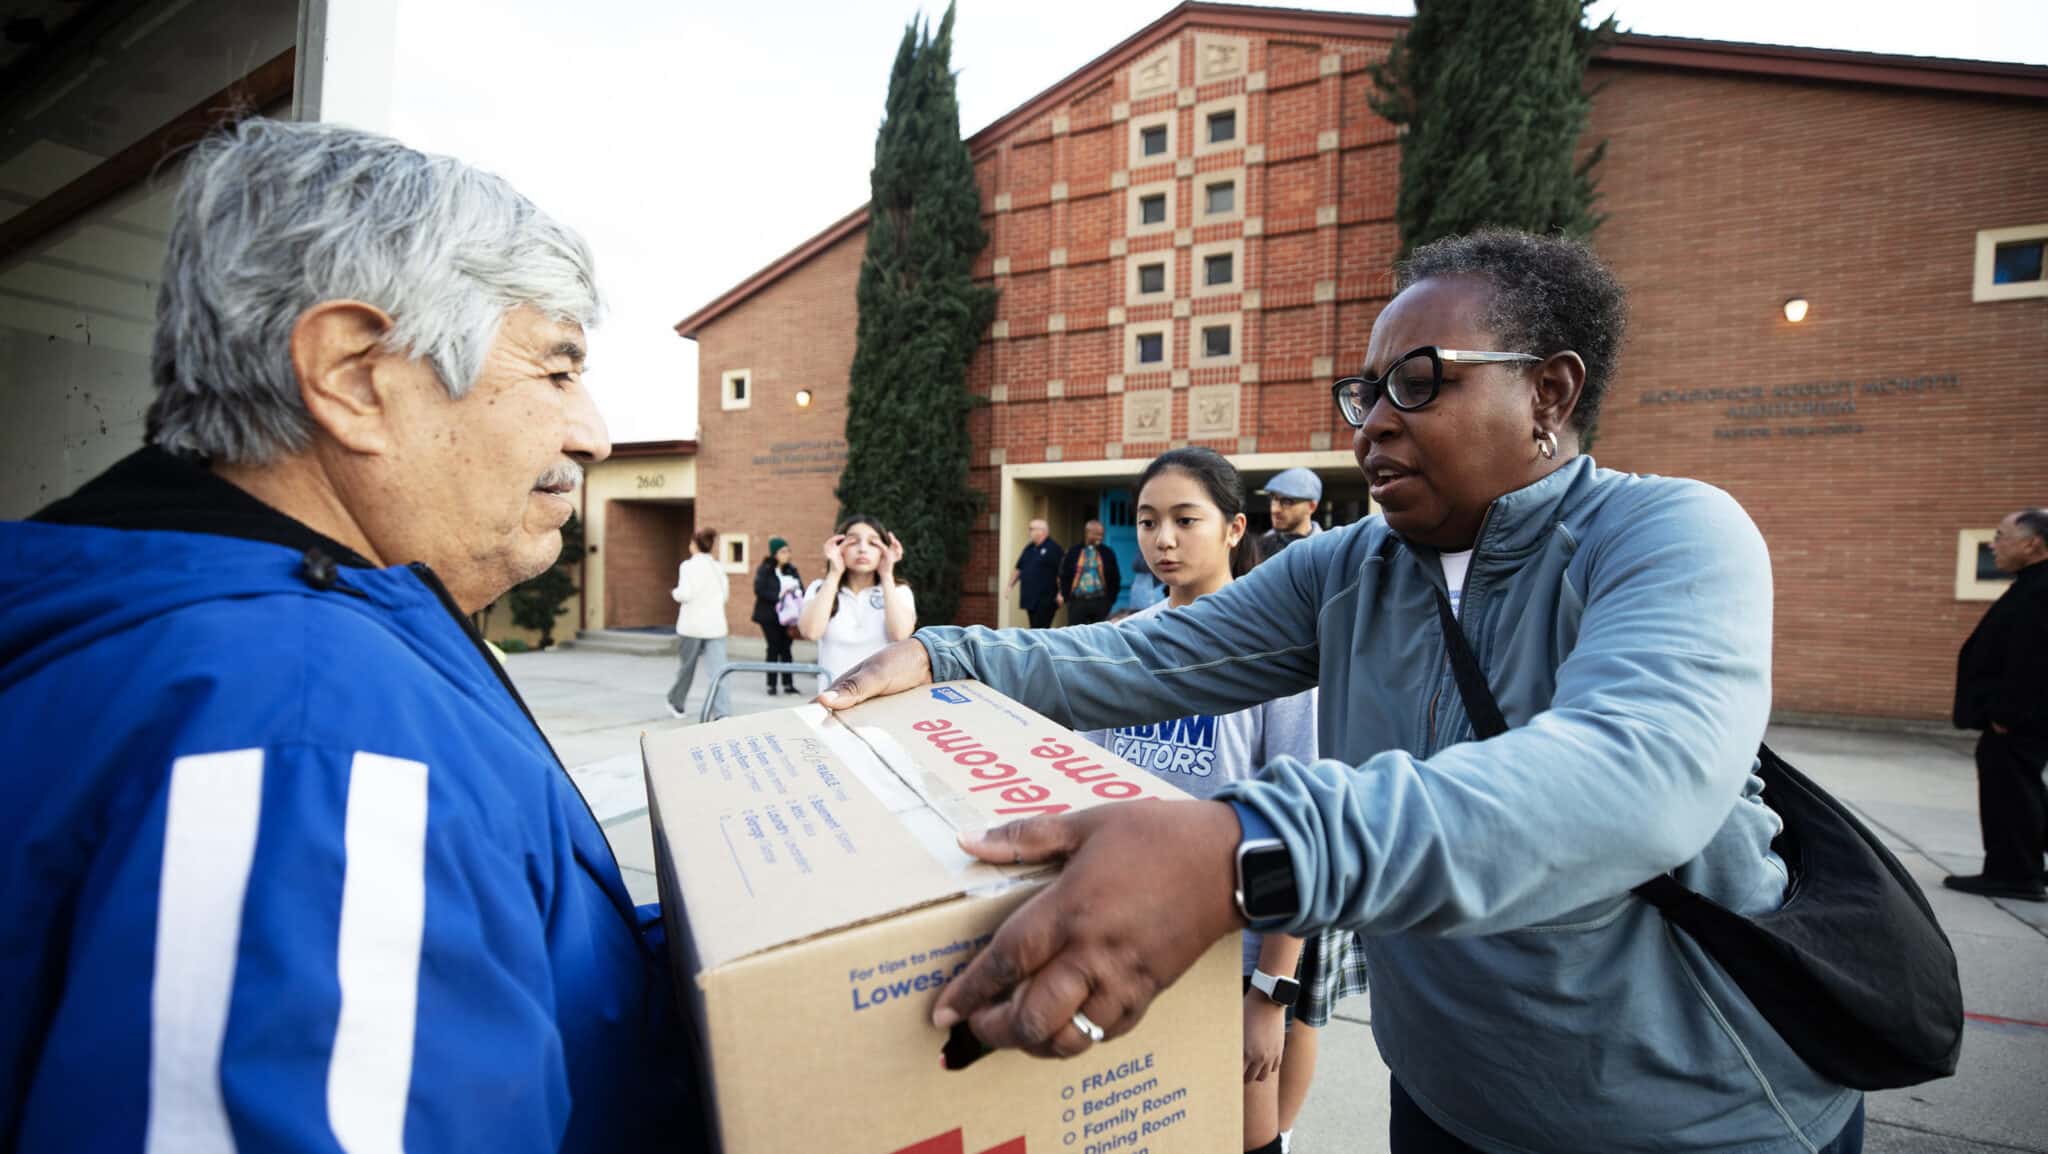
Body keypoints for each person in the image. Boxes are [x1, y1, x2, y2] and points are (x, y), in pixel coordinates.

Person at [822, 230, 1865, 1153]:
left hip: (1690, 1115)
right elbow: (1151, 657)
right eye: (1362, 391)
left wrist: (1245, 849)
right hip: (1447, 1099)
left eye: (1415, 380)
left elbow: (1632, 777)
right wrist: (953, 655)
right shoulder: (1349, 564)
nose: (1372, 421)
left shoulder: (1669, 534)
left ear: (1547, 392)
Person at [1, 120, 703, 1151]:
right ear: (352, 376)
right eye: (556, 371)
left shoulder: (197, 638)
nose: (591, 430)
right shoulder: (309, 718)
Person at [1087, 447, 1361, 1154]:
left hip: (1236, 944)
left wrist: (1271, 992)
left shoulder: (1280, 661)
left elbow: (1304, 828)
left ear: (1236, 529)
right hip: (1134, 934)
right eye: (1147, 522)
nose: (1163, 540)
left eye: (1186, 519)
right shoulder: (1121, 642)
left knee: (1249, 1136)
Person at [1945, 507, 2048, 902]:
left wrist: (2007, 714)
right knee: (2021, 791)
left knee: (2012, 793)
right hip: (2018, 718)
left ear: (2032, 543)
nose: (1994, 544)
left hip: (2017, 721)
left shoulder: (2041, 590)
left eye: (2001, 536)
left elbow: (2035, 660)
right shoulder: (2033, 583)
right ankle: (2022, 868)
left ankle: (2015, 875)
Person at [797, 514, 915, 684]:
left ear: (884, 550)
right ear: (839, 547)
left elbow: (900, 634)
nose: (862, 549)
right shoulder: (820, 588)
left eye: (873, 543)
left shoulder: (899, 591)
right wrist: (834, 572)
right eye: (853, 541)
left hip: (881, 698)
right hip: (832, 698)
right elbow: (810, 632)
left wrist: (887, 575)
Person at [668, 527, 731, 719]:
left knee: (687, 668)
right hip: (716, 626)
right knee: (719, 671)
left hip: (692, 626)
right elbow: (725, 596)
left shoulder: (687, 566)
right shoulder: (718, 567)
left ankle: (676, 703)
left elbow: (685, 594)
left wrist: (674, 593)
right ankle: (722, 713)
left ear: (695, 545)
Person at [751, 536, 802, 695]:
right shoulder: (765, 569)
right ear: (775, 554)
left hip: (789, 617)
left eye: (788, 551)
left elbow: (801, 589)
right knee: (773, 648)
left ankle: (788, 684)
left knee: (786, 649)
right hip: (770, 616)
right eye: (783, 551)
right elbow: (759, 590)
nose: (787, 554)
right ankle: (771, 684)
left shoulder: (792, 570)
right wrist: (780, 595)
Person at [1057, 518, 1123, 626]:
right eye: (1097, 534)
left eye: (1102, 534)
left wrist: (1110, 600)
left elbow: (1115, 577)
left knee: (1100, 635)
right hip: (1078, 602)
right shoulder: (1074, 551)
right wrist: (1067, 598)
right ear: (1087, 533)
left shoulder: (1107, 552)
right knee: (1076, 635)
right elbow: (1064, 575)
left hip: (1100, 601)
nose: (1100, 537)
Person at [1256, 467, 1324, 561]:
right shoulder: (1259, 547)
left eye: (1287, 502)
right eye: (1274, 499)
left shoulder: (1325, 550)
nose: (1275, 509)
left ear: (1311, 507)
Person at [1008, 517, 1063, 628]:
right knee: (1034, 628)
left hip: (1046, 599)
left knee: (1041, 630)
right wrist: (1010, 585)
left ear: (1042, 531)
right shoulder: (1029, 548)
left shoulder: (1054, 549)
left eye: (1032, 529)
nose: (1030, 532)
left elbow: (1061, 573)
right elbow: (1019, 568)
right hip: (1030, 598)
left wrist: (1061, 593)